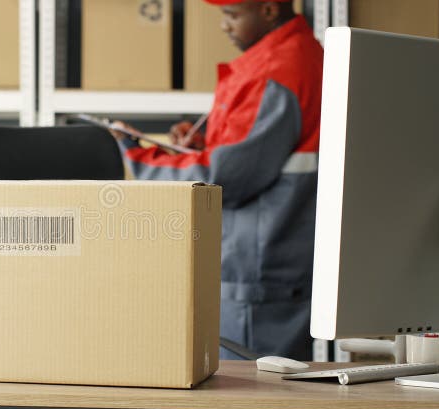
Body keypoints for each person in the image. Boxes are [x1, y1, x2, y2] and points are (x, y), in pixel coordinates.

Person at [112, 0, 323, 360]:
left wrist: (139, 155)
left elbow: (222, 179)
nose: (224, 25)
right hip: (270, 262)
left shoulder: (275, 72)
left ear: (270, 10)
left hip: (258, 273)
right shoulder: (294, 55)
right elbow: (255, 150)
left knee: (251, 399)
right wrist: (198, 146)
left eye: (232, 14)